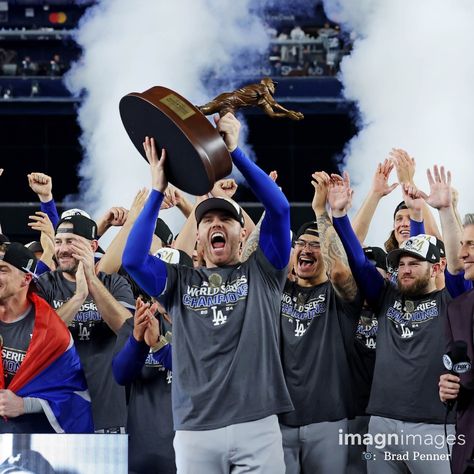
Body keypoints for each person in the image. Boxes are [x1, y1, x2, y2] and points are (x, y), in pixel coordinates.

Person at [122, 113, 293, 474]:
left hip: (256, 424)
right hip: (195, 428)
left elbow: (278, 208)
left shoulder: (264, 270)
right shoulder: (179, 282)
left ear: (242, 233)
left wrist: (236, 154)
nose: (216, 224)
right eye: (207, 222)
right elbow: (134, 260)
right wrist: (157, 190)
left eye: (226, 220)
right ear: (197, 238)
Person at [329, 174, 454, 474]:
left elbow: (458, 268)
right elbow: (358, 262)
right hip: (381, 423)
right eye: (401, 263)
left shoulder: (451, 300)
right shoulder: (386, 295)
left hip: (432, 427)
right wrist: (340, 216)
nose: (405, 269)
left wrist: (434, 211)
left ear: (437, 266)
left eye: (414, 263)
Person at [278, 171, 360, 474]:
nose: (307, 249)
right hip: (279, 419)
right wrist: (273, 206)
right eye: (301, 243)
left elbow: (339, 272)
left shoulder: (340, 295)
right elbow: (254, 257)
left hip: (328, 419)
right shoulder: (278, 290)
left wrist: (320, 213)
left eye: (315, 245)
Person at [35, 215, 135, 432]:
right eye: (58, 242)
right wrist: (79, 296)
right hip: (58, 418)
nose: (62, 249)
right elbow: (41, 338)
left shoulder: (115, 283)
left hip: (107, 416)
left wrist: (91, 280)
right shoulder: (44, 285)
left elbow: (127, 330)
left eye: (71, 241)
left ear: (92, 246)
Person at [0, 242, 92, 434]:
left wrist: (24, 405)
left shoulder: (51, 333)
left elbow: (75, 395)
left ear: (25, 279)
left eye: (2, 270)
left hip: (32, 441)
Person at [113, 298, 175, 474]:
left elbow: (196, 371)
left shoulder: (201, 321)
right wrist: (136, 340)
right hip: (144, 450)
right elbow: (120, 375)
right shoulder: (138, 322)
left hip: (191, 447)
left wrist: (158, 345)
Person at [197, 77, 304, 120]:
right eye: (272, 84)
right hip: (228, 99)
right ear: (266, 82)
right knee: (204, 110)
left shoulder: (262, 101)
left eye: (275, 86)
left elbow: (272, 115)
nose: (274, 86)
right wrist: (289, 111)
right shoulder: (262, 87)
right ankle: (190, 112)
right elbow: (273, 104)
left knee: (229, 125)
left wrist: (287, 115)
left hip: (231, 107)